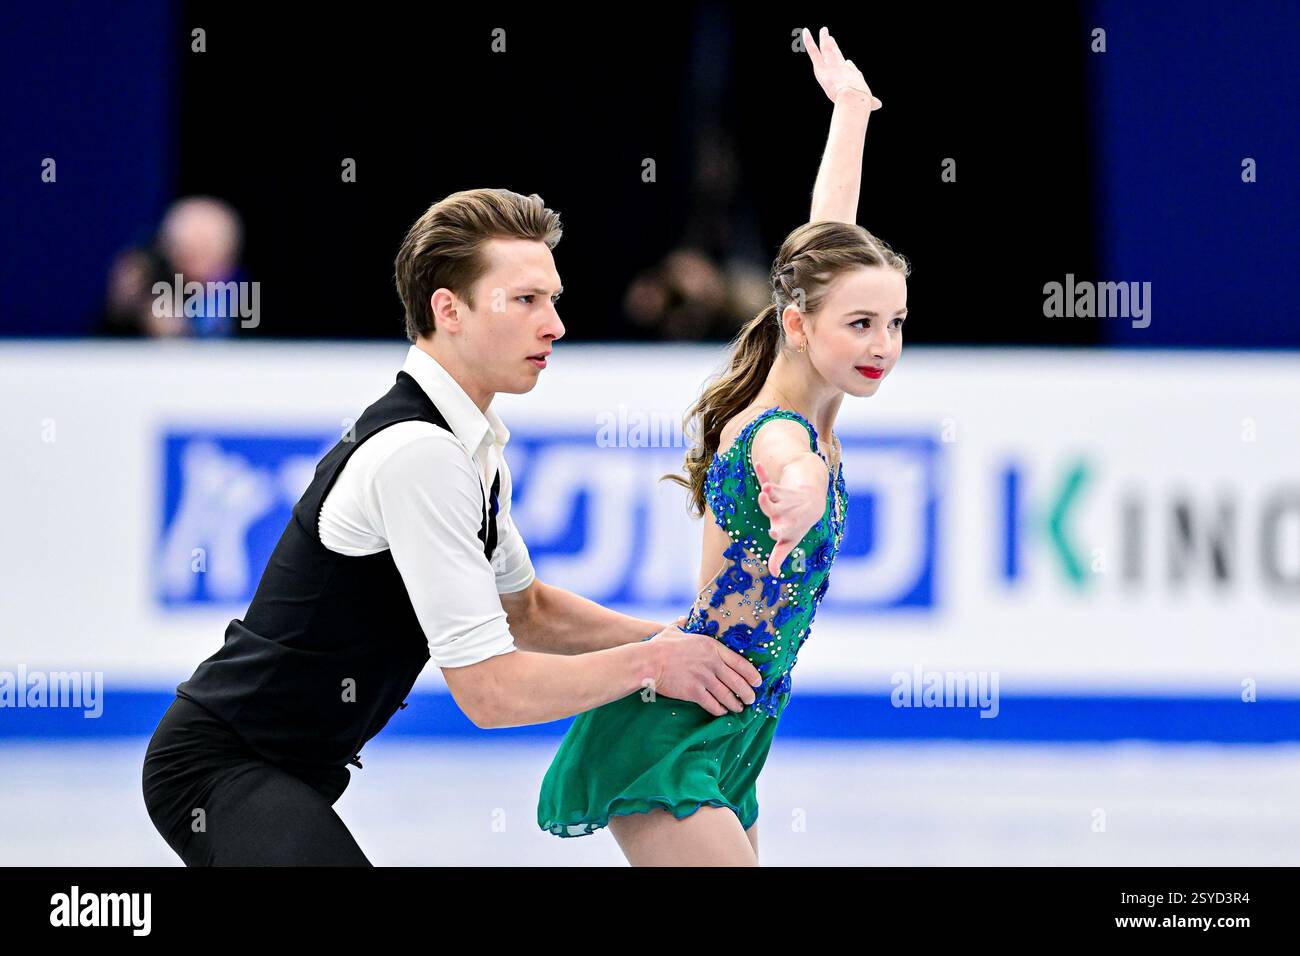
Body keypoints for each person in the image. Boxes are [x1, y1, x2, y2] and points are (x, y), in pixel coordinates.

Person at [141, 187, 763, 866]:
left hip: (290, 772)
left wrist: (677, 640)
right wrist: (654, 665)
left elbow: (526, 609)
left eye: (552, 299)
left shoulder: (469, 445)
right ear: (449, 310)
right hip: (219, 767)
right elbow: (490, 692)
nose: (554, 325)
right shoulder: (420, 454)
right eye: (526, 300)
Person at [536, 26, 909, 865]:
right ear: (799, 327)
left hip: (736, 718)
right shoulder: (779, 432)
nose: (882, 342)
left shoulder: (813, 397)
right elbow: (788, 463)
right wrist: (803, 488)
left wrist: (850, 113)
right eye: (861, 324)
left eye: (894, 324)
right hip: (676, 725)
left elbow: (828, 240)